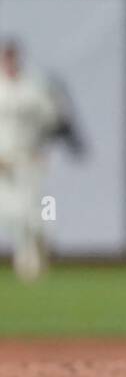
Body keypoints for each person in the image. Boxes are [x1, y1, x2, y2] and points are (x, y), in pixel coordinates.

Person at [0, 42, 65, 282]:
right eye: (5, 58)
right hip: (3, 159)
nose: (9, 62)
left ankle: (33, 253)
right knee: (11, 212)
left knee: (36, 208)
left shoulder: (33, 87)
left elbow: (52, 120)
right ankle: (34, 246)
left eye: (12, 57)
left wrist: (42, 148)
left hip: (28, 157)